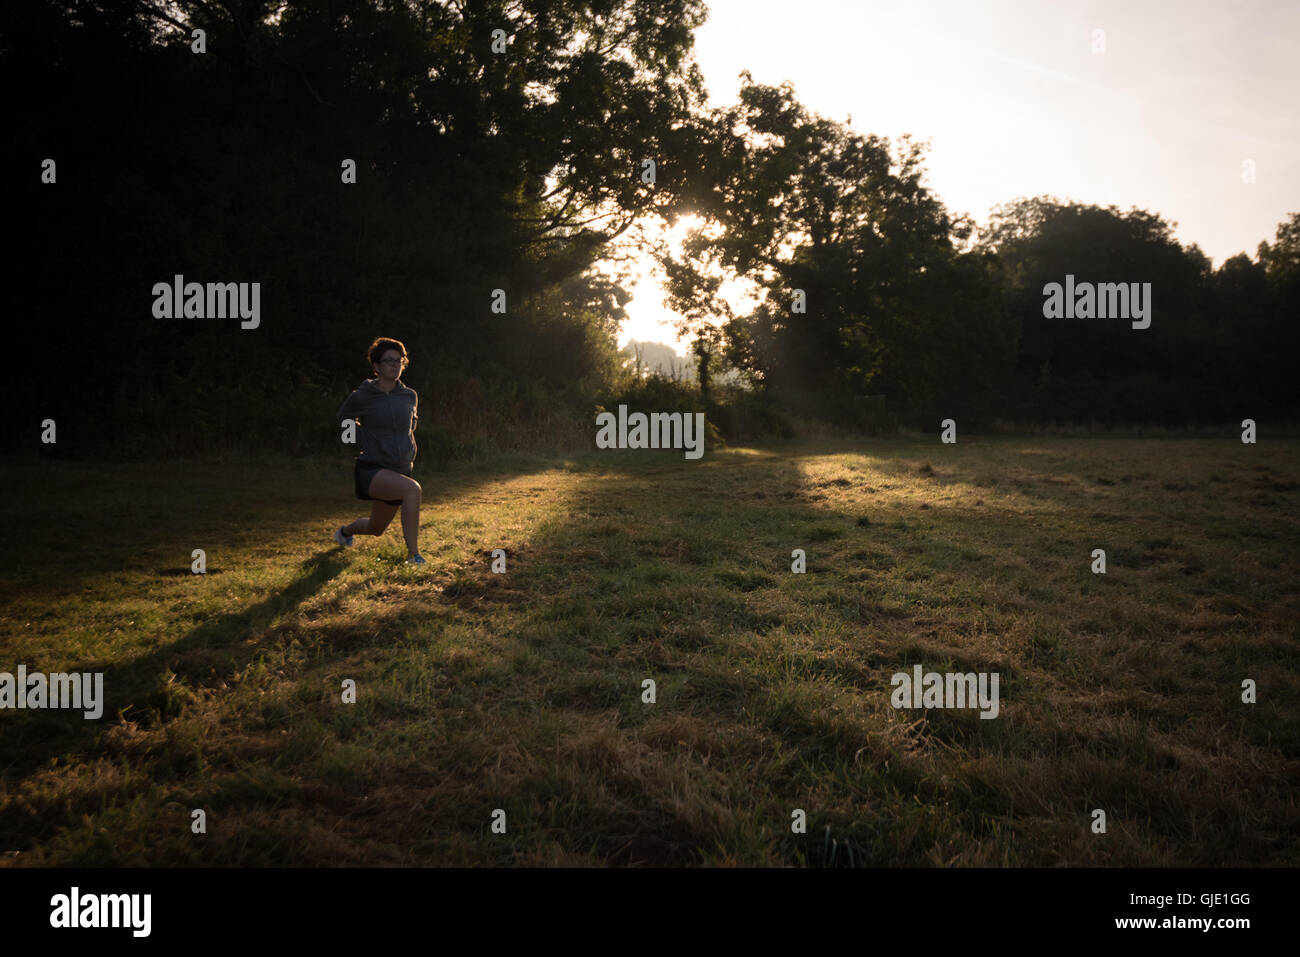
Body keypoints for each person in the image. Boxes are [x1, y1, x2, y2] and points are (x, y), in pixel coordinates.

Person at [333, 337, 426, 565]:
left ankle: (344, 532)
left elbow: (410, 426)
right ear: (376, 366)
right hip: (372, 468)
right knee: (413, 491)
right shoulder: (362, 396)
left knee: (376, 528)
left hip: (400, 469)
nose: (395, 365)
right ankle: (414, 556)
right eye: (388, 361)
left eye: (399, 360)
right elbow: (342, 420)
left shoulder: (409, 395)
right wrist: (362, 437)